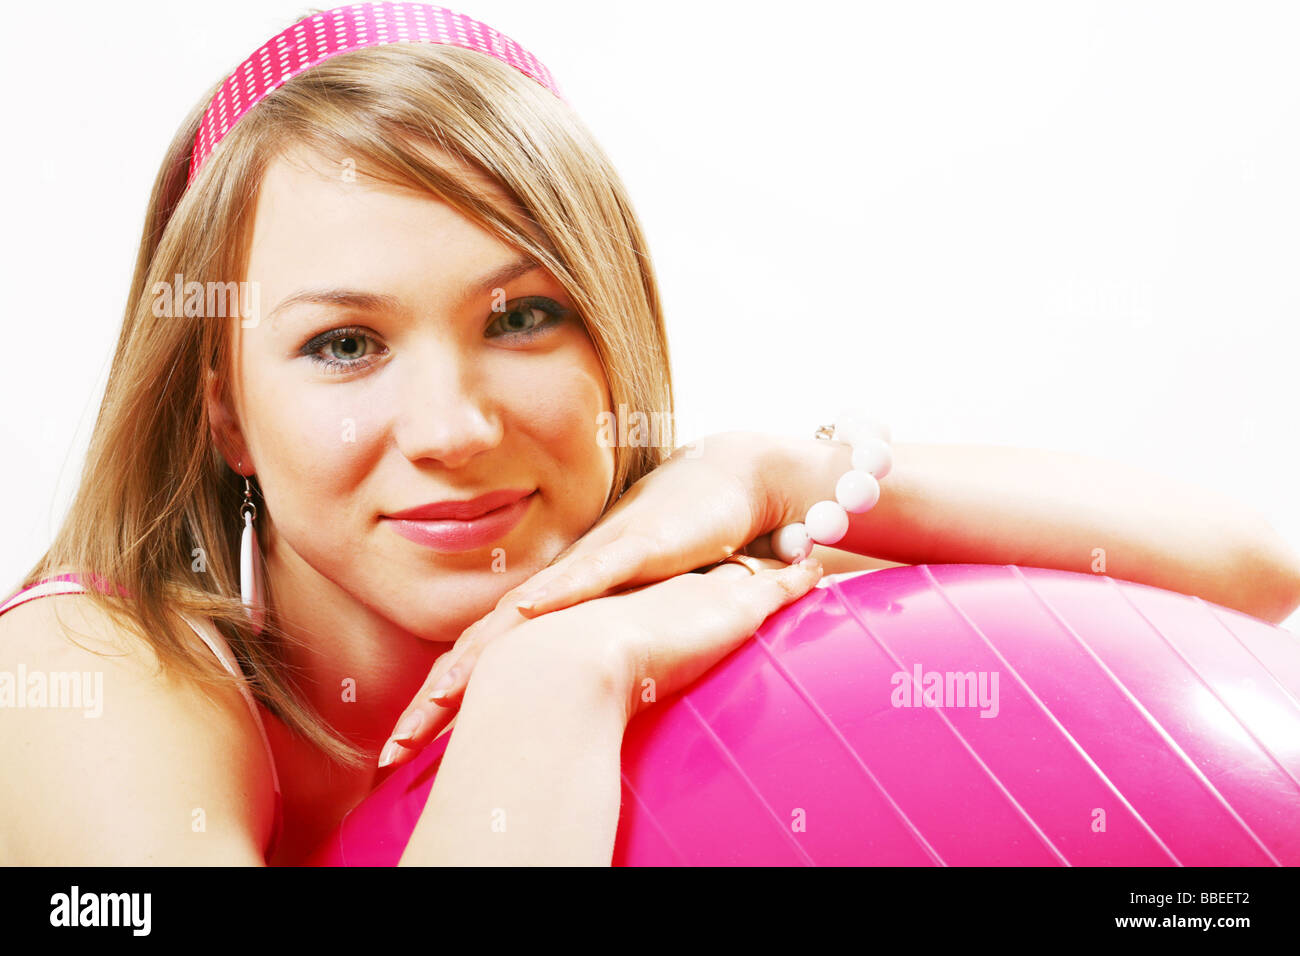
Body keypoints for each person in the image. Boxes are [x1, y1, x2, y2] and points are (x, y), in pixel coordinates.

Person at [2, 3, 1297, 866]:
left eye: (522, 316)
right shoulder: (86, 670)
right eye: (345, 344)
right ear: (224, 407)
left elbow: (1250, 572)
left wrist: (785, 471)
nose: (453, 427)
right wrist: (552, 684)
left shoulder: (674, 600)